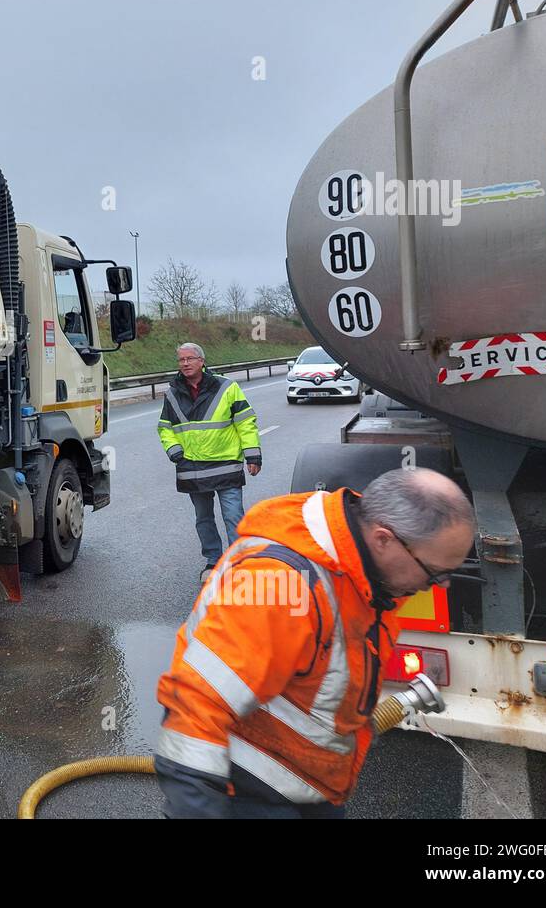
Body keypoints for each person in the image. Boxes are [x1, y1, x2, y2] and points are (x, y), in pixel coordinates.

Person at [153, 468, 474, 819]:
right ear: (384, 539)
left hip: (306, 786)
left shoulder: (360, 565)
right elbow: (196, 708)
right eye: (435, 573)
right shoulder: (283, 587)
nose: (440, 586)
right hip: (251, 792)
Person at [157, 343, 261, 579]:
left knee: (233, 515)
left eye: (190, 359)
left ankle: (238, 561)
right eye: (181, 360)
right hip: (192, 467)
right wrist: (175, 452)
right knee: (203, 518)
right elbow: (165, 428)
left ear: (202, 361)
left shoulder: (227, 387)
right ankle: (213, 560)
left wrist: (252, 454)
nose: (185, 363)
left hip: (226, 464)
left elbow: (245, 421)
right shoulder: (172, 393)